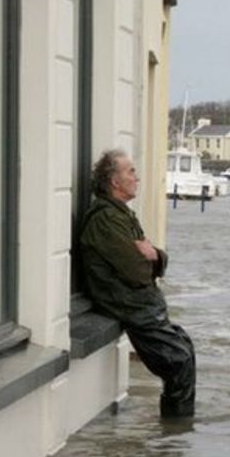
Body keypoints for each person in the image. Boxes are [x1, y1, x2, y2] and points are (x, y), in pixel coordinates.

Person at [80, 149, 196, 418]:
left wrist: (155, 255)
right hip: (129, 305)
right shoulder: (106, 219)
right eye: (130, 172)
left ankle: (177, 431)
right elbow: (137, 271)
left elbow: (150, 258)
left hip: (141, 305)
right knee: (178, 362)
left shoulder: (121, 215)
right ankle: (174, 432)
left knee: (184, 350)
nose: (137, 177)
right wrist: (150, 259)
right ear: (114, 182)